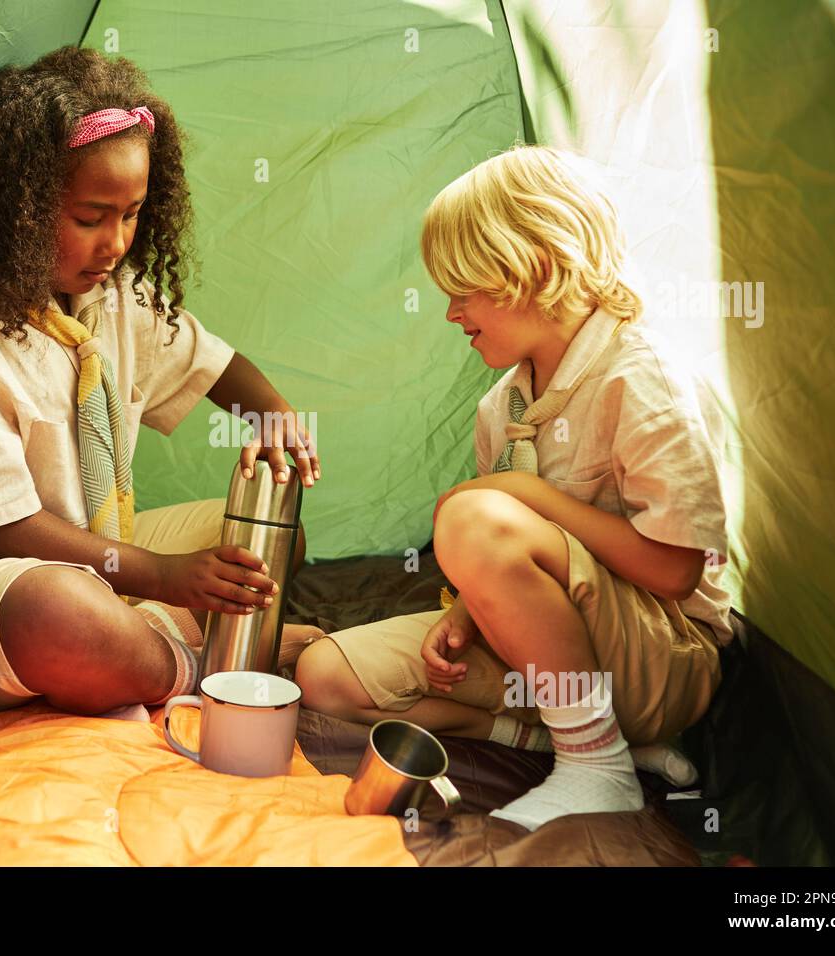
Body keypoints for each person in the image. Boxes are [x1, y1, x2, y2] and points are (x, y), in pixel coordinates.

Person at [0, 46, 322, 717]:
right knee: (62, 613)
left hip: (99, 566)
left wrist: (276, 421)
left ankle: (140, 644)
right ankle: (199, 666)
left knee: (266, 538)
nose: (116, 243)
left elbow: (220, 368)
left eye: (132, 214)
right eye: (90, 218)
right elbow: (6, 531)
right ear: (17, 209)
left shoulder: (114, 298)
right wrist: (162, 576)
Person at [296, 145, 732, 830]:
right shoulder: (502, 409)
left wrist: (529, 500)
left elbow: (677, 572)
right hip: (552, 666)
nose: (449, 314)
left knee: (470, 515)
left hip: (659, 662)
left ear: (536, 269)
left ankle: (596, 767)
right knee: (323, 676)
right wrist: (465, 616)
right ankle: (576, 742)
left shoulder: (639, 379)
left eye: (462, 291)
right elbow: (511, 561)